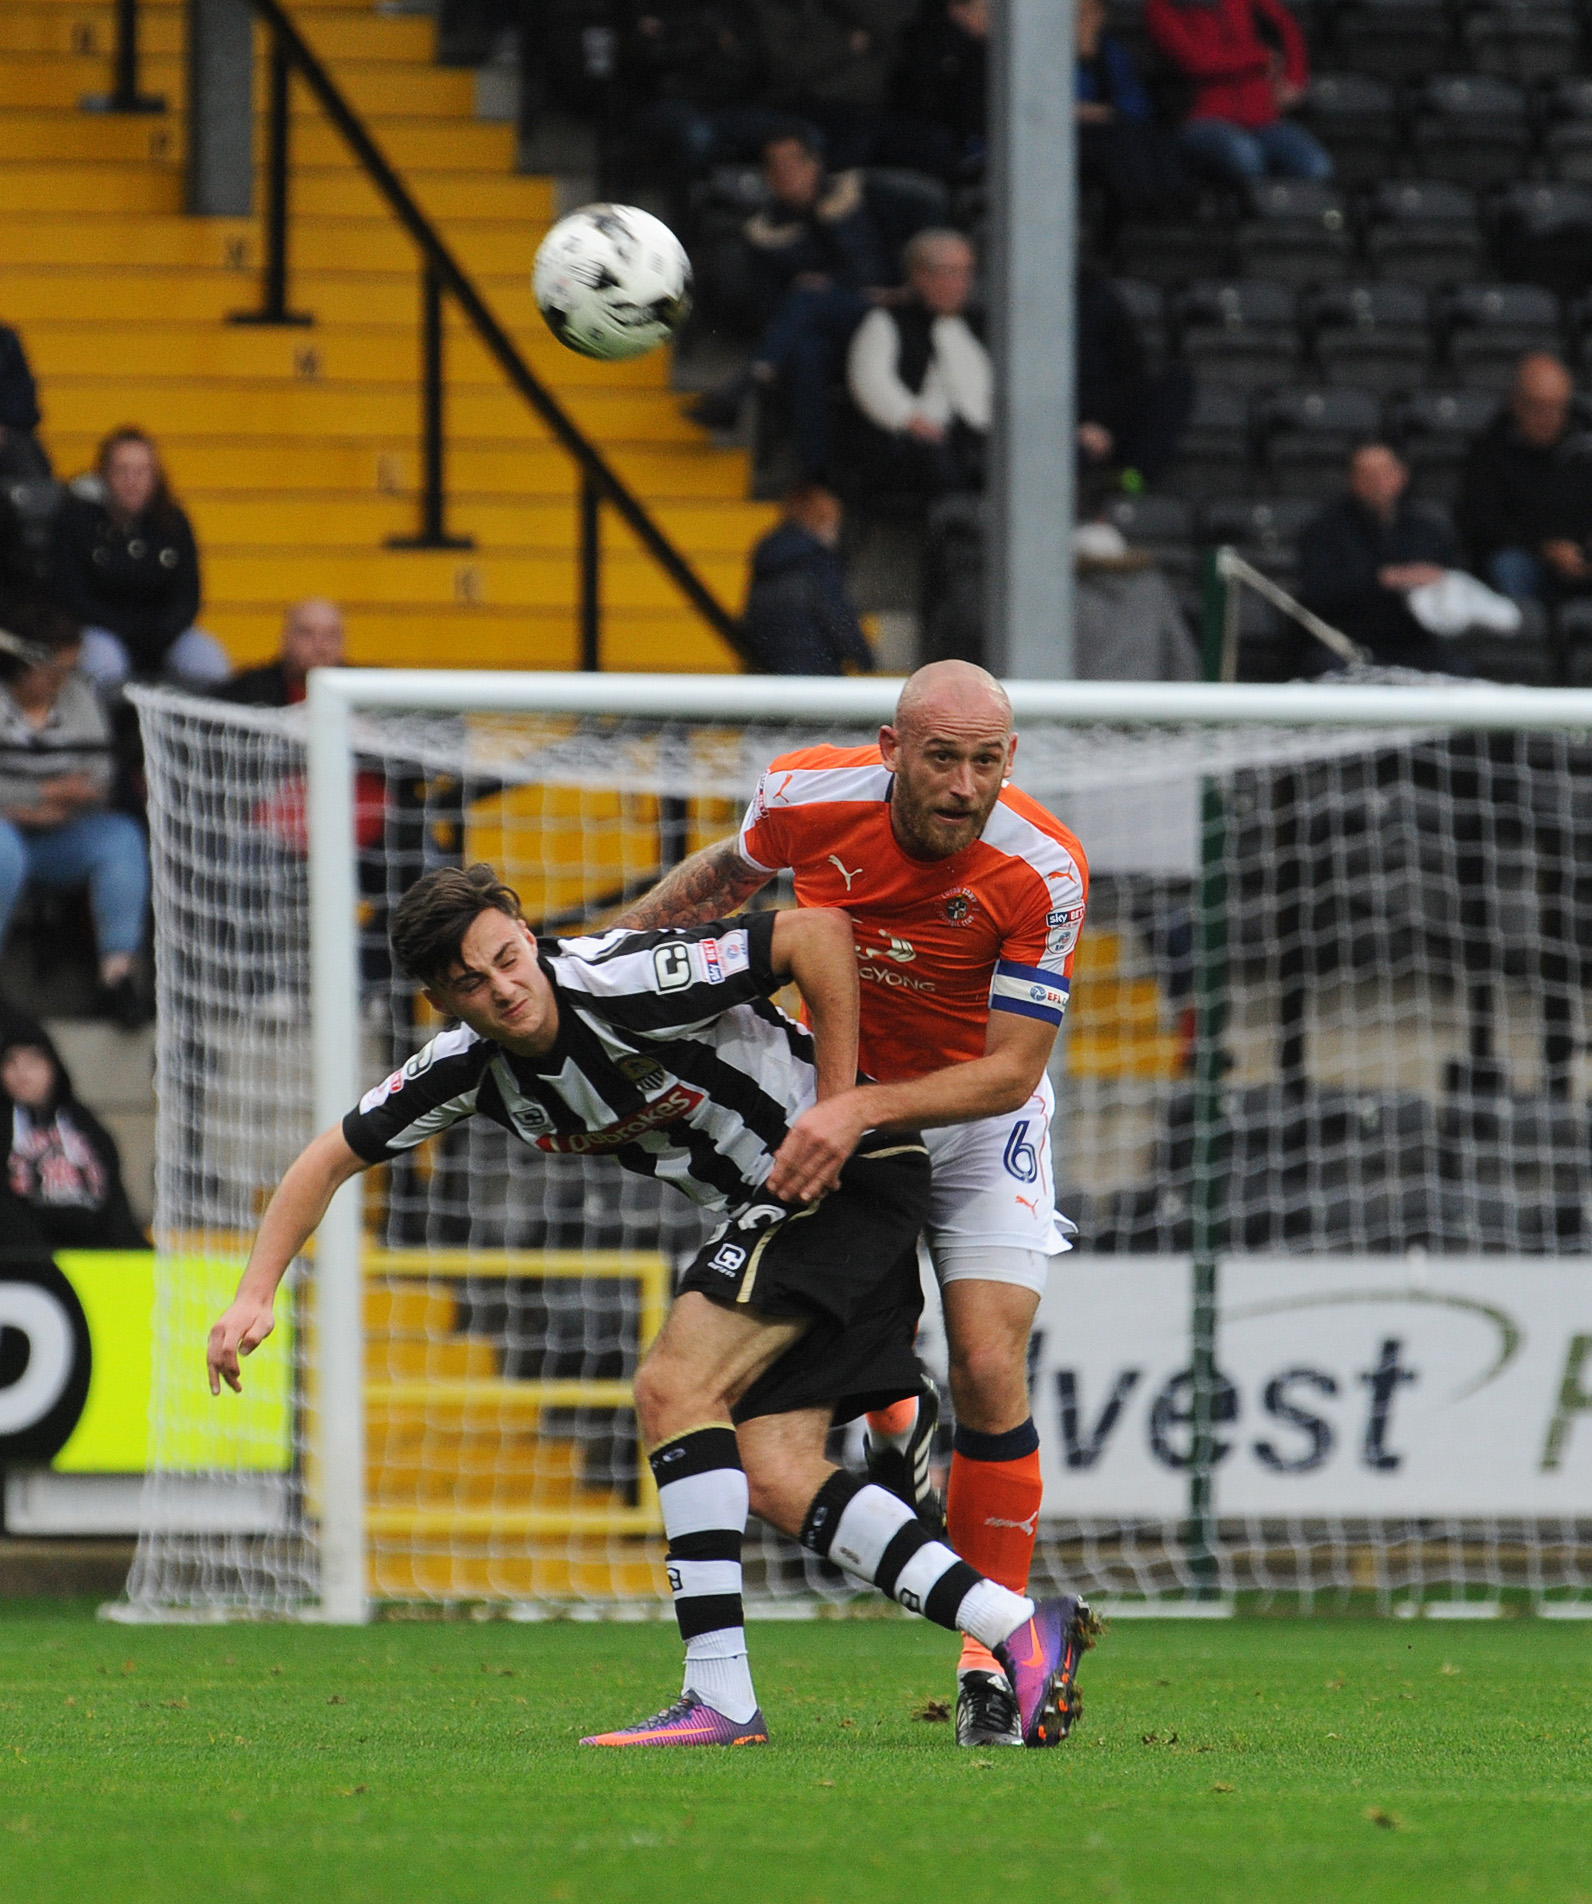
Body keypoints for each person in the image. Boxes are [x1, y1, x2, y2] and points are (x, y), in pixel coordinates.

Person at [206, 863, 1095, 1749]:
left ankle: (721, 1696)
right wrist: (254, 1295)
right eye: (471, 983)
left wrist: (837, 1108)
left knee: (673, 1389)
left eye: (507, 957)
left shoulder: (624, 977)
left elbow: (815, 934)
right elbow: (327, 1158)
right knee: (774, 1471)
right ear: (441, 998)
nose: (504, 988)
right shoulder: (467, 1070)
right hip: (791, 1216)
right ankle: (1016, 1626)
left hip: (845, 1178)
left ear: (524, 928)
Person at [614, 660, 1089, 1749]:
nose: (963, 783)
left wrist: (862, 1105)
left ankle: (985, 1661)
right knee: (772, 1373)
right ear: (888, 749)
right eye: (940, 756)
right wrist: (594, 964)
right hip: (825, 1098)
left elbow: (1012, 1069)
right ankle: (889, 1408)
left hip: (966, 1113)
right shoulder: (801, 797)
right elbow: (722, 880)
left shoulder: (1044, 869)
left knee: (986, 1361)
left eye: (986, 760)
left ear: (1008, 761)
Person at [688, 128, 897, 477]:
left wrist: (834, 281)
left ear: (815, 165)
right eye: (776, 167)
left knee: (809, 295)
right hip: (818, 325)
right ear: (768, 177)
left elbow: (874, 267)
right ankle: (817, 477)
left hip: (881, 308)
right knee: (805, 352)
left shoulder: (856, 193)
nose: (786, 173)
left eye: (794, 163)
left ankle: (747, 384)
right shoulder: (765, 229)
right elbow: (768, 301)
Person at [0, 596, 149, 1028]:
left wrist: (50, 802)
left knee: (120, 837)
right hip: (10, 832)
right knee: (3, 847)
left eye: (66, 669)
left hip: (64, 831)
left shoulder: (78, 694)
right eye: (51, 670)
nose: (59, 680)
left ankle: (118, 976)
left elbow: (98, 774)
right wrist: (38, 799)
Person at [48, 427, 229, 695]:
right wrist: (127, 629)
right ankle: (109, 736)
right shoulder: (76, 521)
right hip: (101, 631)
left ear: (156, 476)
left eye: (141, 471)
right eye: (122, 470)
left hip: (164, 634)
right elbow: (71, 595)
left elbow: (189, 595)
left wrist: (160, 631)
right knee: (103, 660)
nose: (131, 481)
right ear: (104, 474)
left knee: (207, 658)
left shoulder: (173, 522)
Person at [844, 228, 989, 499]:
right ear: (921, 275)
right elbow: (870, 378)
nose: (963, 282)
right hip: (925, 435)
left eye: (967, 271)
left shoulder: (983, 323)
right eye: (952, 272)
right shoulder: (888, 321)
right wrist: (909, 417)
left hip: (984, 433)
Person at [1298, 443, 1466, 672]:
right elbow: (1317, 591)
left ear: (1401, 475)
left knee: (1456, 667)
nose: (1377, 482)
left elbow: (1453, 581)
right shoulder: (1325, 529)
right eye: (1366, 474)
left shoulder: (1427, 527)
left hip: (1414, 642)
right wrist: (1381, 578)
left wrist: (1435, 579)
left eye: (1384, 472)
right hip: (1348, 642)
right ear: (1352, 479)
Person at [1145, 0, 1333, 187]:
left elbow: (1286, 28)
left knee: (1316, 165)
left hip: (1263, 118)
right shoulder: (1164, 6)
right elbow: (1195, 60)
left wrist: (1295, 79)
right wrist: (1258, 57)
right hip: (1202, 119)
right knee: (1245, 157)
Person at [1456, 354, 1592, 607]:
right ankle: (1523, 643)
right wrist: (1547, 548)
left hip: (1583, 554)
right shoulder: (1490, 448)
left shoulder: (1586, 442)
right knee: (1509, 566)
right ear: (1517, 404)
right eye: (1538, 408)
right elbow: (1483, 525)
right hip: (1529, 555)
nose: (1549, 418)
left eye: (1557, 408)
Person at [2, 1015, 145, 1248]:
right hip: (26, 1257)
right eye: (11, 1062)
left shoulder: (85, 1124)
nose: (21, 1073)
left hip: (93, 1250)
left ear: (53, 1065)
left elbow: (113, 1202)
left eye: (32, 1061)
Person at [1077, 270, 1193, 487]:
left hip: (1106, 425)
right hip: (1053, 429)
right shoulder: (1017, 304)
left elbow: (1131, 372)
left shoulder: (1096, 295)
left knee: (1177, 383)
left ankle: (1131, 485)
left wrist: (1102, 424)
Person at [742, 483, 874, 673]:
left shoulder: (767, 556)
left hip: (768, 670)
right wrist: (864, 657)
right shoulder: (819, 561)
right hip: (815, 670)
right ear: (820, 521)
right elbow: (837, 614)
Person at [1076, 0, 1189, 221]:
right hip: (1073, 136)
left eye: (1088, 14)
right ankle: (1140, 207)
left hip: (1112, 126)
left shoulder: (1112, 53)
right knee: (1118, 142)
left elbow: (1136, 103)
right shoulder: (1048, 58)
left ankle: (1171, 202)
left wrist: (1107, 111)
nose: (1082, 22)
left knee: (1150, 136)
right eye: (1077, 15)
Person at [219, 598, 346, 707]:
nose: (320, 645)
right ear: (285, 639)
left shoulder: (364, 694)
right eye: (306, 633)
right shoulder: (245, 693)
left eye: (331, 635)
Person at [0, 321, 49, 482]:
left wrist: (4, 428)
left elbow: (26, 408)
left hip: (8, 436)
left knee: (26, 456)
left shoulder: (5, 341)